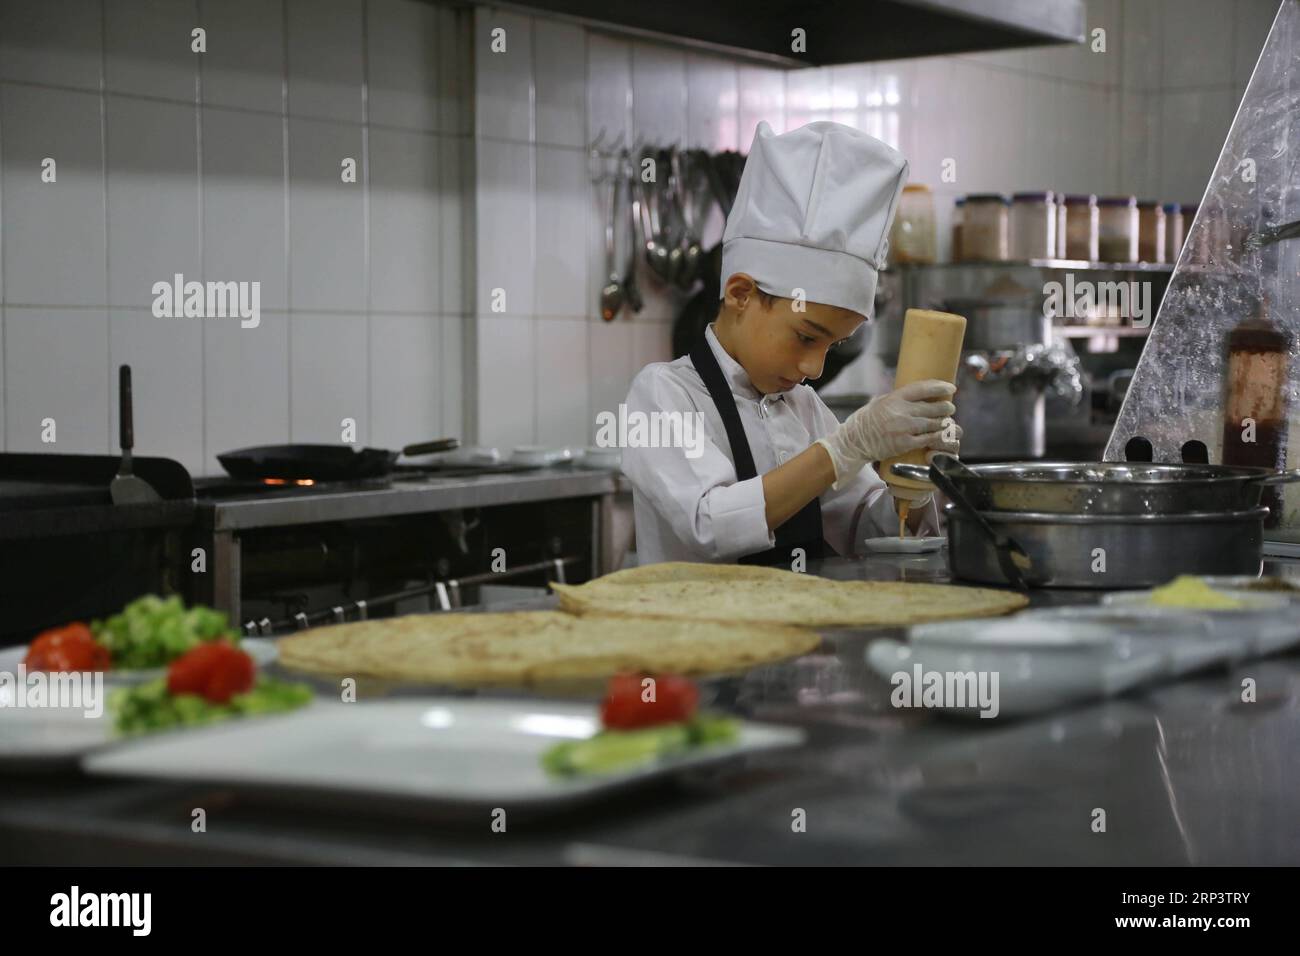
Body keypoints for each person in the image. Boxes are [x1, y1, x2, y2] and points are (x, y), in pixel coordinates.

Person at [622, 120, 960, 565]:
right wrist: (844, 448)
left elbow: (867, 531)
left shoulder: (803, 408)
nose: (815, 369)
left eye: (832, 346)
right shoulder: (664, 395)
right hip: (694, 631)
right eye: (805, 336)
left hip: (800, 629)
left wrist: (912, 478)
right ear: (741, 294)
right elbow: (710, 526)